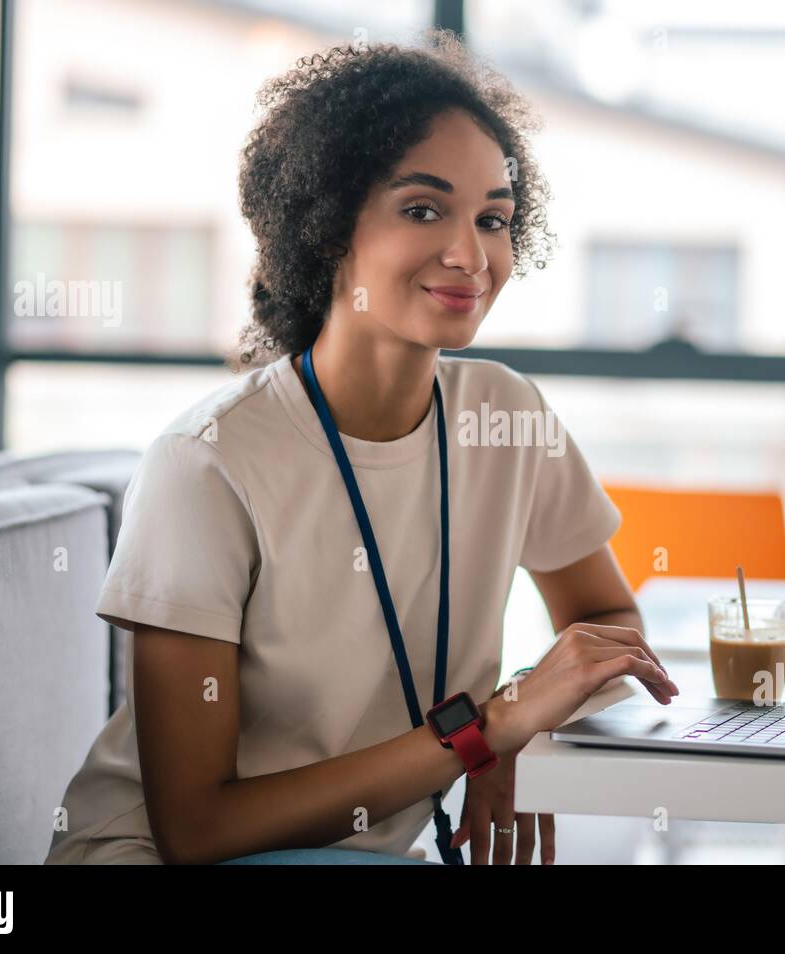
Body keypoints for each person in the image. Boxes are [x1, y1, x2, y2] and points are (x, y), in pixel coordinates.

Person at [45, 28, 678, 867]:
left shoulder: (508, 415)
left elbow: (607, 623)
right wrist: (480, 736)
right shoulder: (208, 462)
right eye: (423, 209)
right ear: (329, 228)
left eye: (494, 218)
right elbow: (197, 830)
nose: (470, 254)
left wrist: (519, 734)